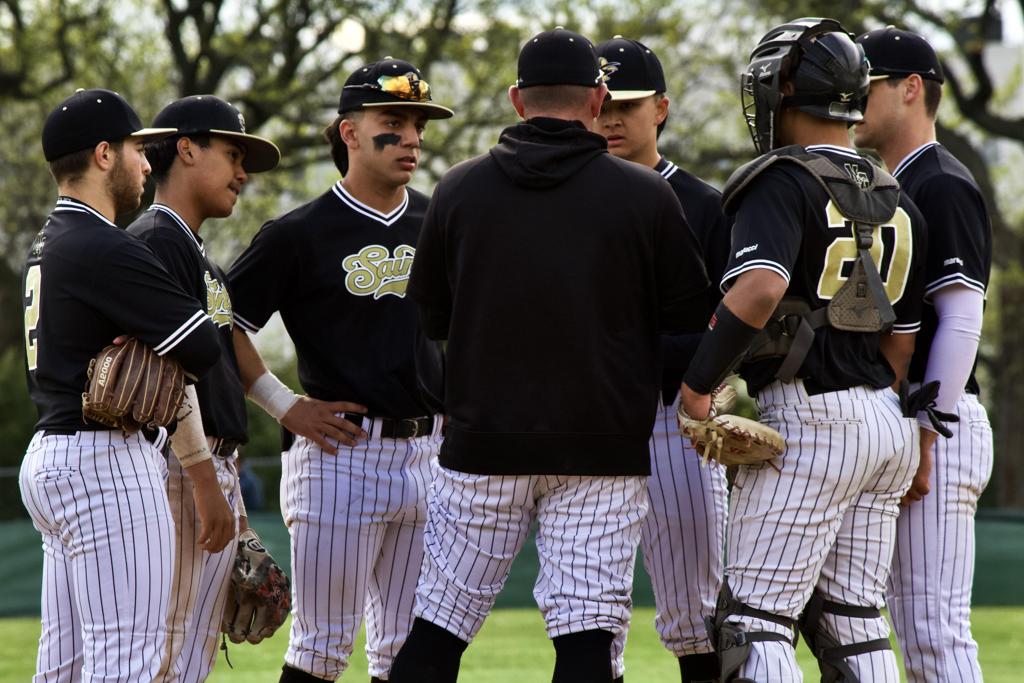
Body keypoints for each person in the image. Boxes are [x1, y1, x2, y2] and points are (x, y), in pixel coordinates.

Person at [387, 27, 710, 683]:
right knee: (586, 635)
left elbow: (430, 318)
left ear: (515, 99)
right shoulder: (647, 195)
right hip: (603, 443)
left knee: (438, 627)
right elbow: (688, 317)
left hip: (483, 441)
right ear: (597, 99)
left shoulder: (458, 189)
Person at [679, 18, 929, 682]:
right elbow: (902, 337)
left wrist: (699, 383)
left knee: (752, 621)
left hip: (813, 417)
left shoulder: (781, 180)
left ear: (786, 90)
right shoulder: (897, 197)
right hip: (885, 419)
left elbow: (760, 289)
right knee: (855, 622)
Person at [227, 57, 453, 683]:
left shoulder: (441, 221)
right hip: (339, 456)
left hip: (430, 453)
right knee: (322, 650)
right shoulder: (298, 233)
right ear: (349, 132)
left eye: (417, 125)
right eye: (393, 122)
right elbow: (222, 325)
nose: (410, 138)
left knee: (409, 653)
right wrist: (283, 404)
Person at [19, 88, 224, 682]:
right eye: (137, 149)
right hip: (104, 462)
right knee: (129, 662)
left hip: (50, 455)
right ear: (104, 155)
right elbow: (203, 347)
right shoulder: (102, 246)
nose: (144, 164)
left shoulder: (47, 243)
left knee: (63, 665)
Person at [126, 94, 281, 682]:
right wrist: (204, 483)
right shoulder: (157, 241)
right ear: (186, 147)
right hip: (180, 467)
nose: (242, 171)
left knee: (189, 653)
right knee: (168, 651)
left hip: (209, 468)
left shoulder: (199, 256)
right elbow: (168, 373)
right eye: (232, 152)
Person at [855, 26, 994, 683]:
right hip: (919, 418)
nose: (850, 99)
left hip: (939, 414)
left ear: (911, 89)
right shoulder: (893, 183)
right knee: (907, 632)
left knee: (934, 634)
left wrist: (925, 435)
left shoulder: (939, 181)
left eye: (866, 84)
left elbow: (964, 315)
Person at [595, 35, 729, 683]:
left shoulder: (704, 204)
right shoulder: (569, 201)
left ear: (662, 109)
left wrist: (716, 383)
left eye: (628, 104)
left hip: (678, 421)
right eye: (602, 104)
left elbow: (735, 318)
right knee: (590, 612)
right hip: (592, 426)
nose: (611, 118)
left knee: (697, 615)